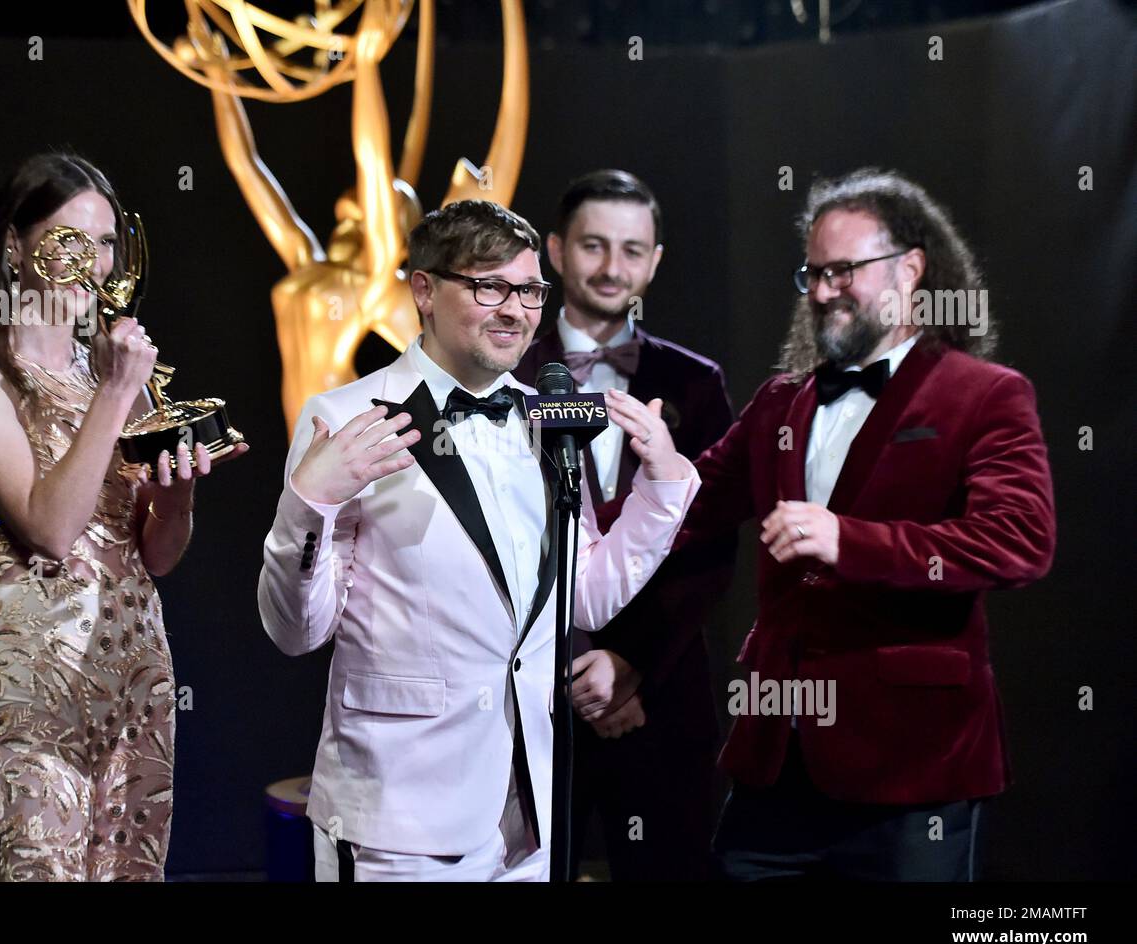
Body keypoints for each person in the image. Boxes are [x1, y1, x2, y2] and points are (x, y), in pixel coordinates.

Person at [258, 199, 700, 882]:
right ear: (425, 290)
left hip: (531, 814)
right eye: (489, 286)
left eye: (528, 290)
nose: (515, 309)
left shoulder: (547, 417)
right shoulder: (345, 416)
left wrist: (663, 487)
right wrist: (309, 502)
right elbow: (297, 630)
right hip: (396, 821)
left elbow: (582, 598)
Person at [654, 168, 1055, 880]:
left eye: (845, 269)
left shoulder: (986, 394)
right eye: (814, 273)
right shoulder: (780, 401)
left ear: (910, 270)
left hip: (914, 770)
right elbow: (689, 516)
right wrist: (657, 470)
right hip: (776, 764)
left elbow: (1019, 541)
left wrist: (849, 539)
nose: (825, 289)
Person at [0, 152, 245, 880]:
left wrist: (179, 493)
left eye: (105, 244)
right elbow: (50, 527)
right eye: (70, 239)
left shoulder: (117, 381)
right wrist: (115, 390)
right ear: (15, 246)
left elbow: (154, 554)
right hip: (32, 695)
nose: (93, 265)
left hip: (137, 687)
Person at [514, 170, 735, 880]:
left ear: (656, 261)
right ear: (554, 250)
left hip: (662, 697)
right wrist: (571, 661)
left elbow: (709, 544)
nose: (613, 268)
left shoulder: (697, 381)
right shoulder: (507, 372)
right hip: (528, 703)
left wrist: (628, 663)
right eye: (594, 246)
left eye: (633, 251)